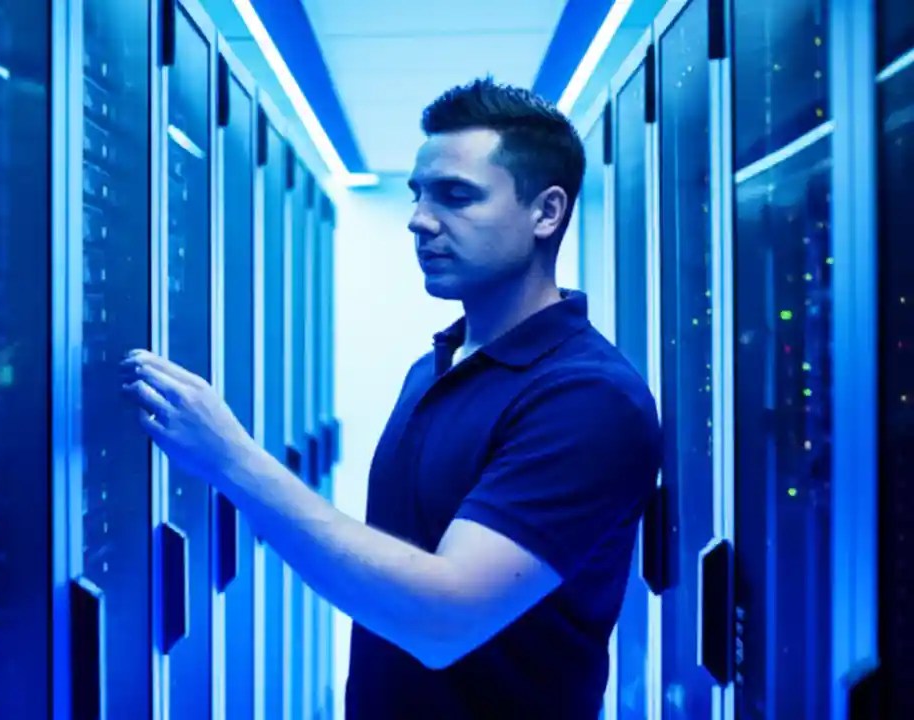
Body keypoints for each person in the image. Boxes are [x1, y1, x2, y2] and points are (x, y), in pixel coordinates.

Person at [121, 75, 662, 719]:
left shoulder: (589, 399)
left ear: (546, 213)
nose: (419, 220)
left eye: (456, 196)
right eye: (418, 194)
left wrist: (231, 460)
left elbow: (444, 620)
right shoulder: (434, 367)